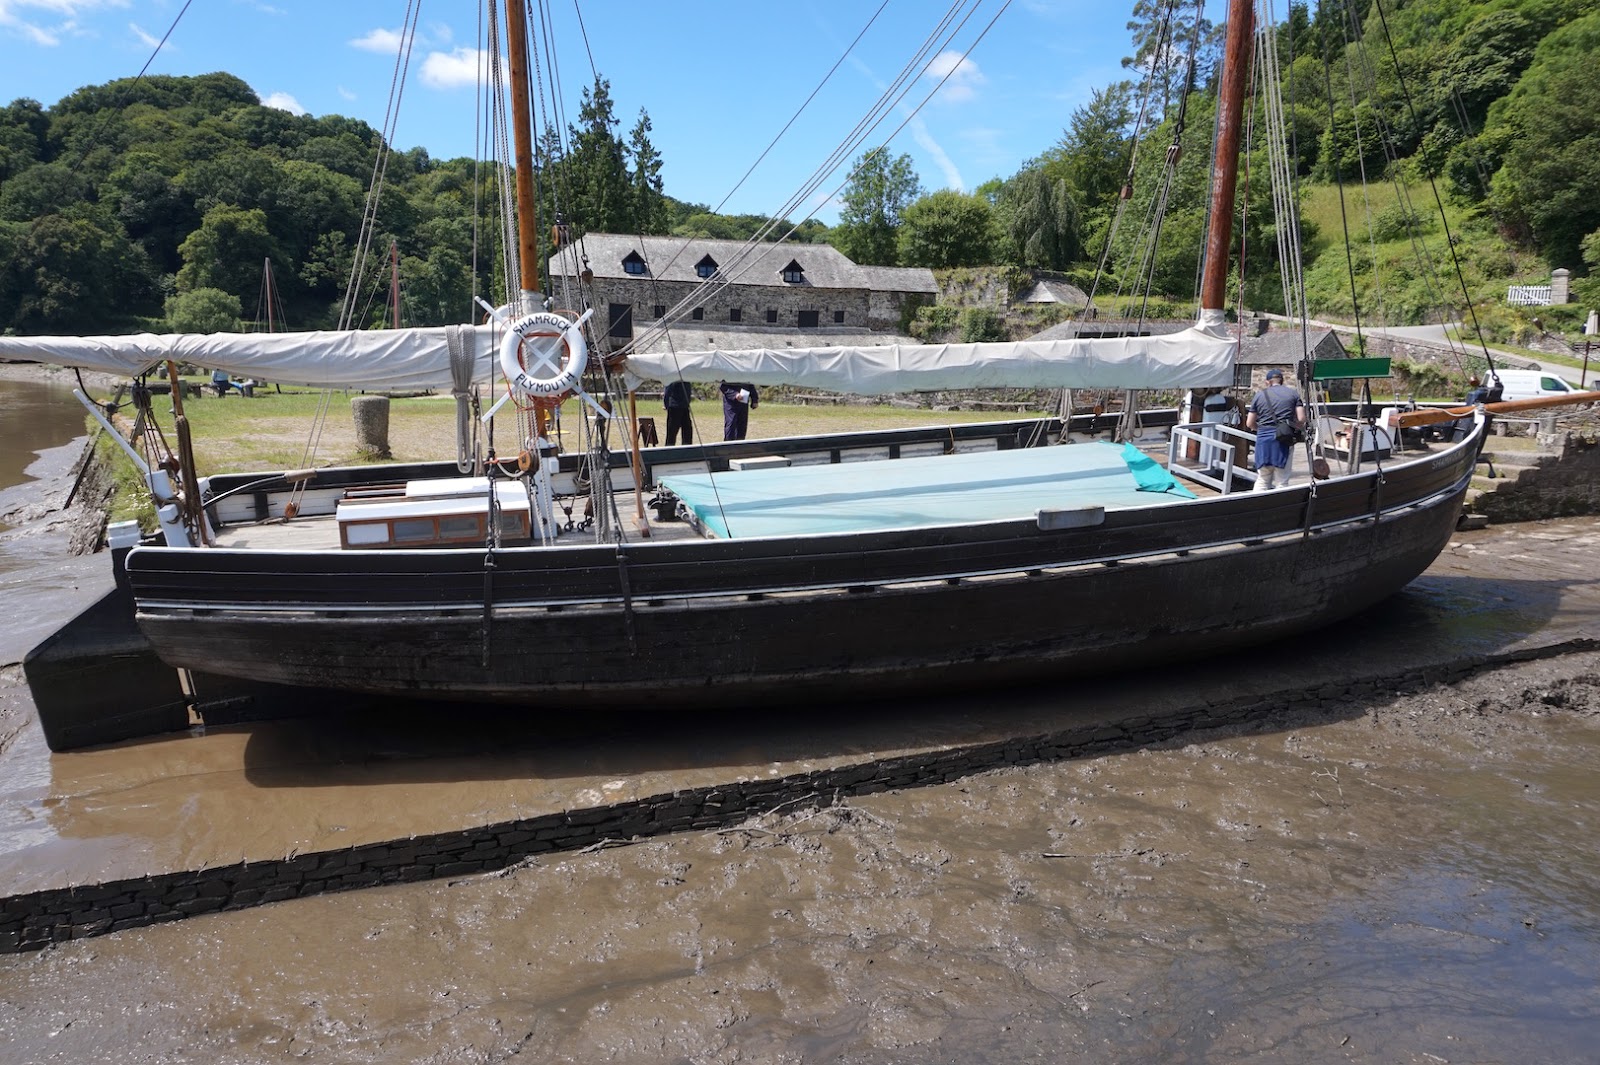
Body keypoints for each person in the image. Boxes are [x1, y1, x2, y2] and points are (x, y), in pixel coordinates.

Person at [1245, 368, 1307, 491]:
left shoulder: (1259, 395)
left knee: (1263, 478)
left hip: (1264, 440)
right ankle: (1279, 507)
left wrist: (1260, 429)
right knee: (1282, 481)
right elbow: (1301, 418)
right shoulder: (1293, 394)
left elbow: (1249, 423)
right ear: (1282, 381)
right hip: (1284, 439)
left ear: (1268, 382)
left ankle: (1258, 505)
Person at [1198, 387, 1238, 477]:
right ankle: (1210, 463)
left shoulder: (1212, 400)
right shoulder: (1218, 399)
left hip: (1212, 420)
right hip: (1213, 421)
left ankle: (1209, 462)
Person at [663, 379, 693, 446]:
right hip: (674, 407)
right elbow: (668, 390)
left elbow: (688, 390)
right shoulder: (674, 376)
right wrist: (666, 404)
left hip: (684, 407)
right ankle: (668, 451)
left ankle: (687, 451)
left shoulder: (686, 377)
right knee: (672, 433)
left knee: (687, 431)